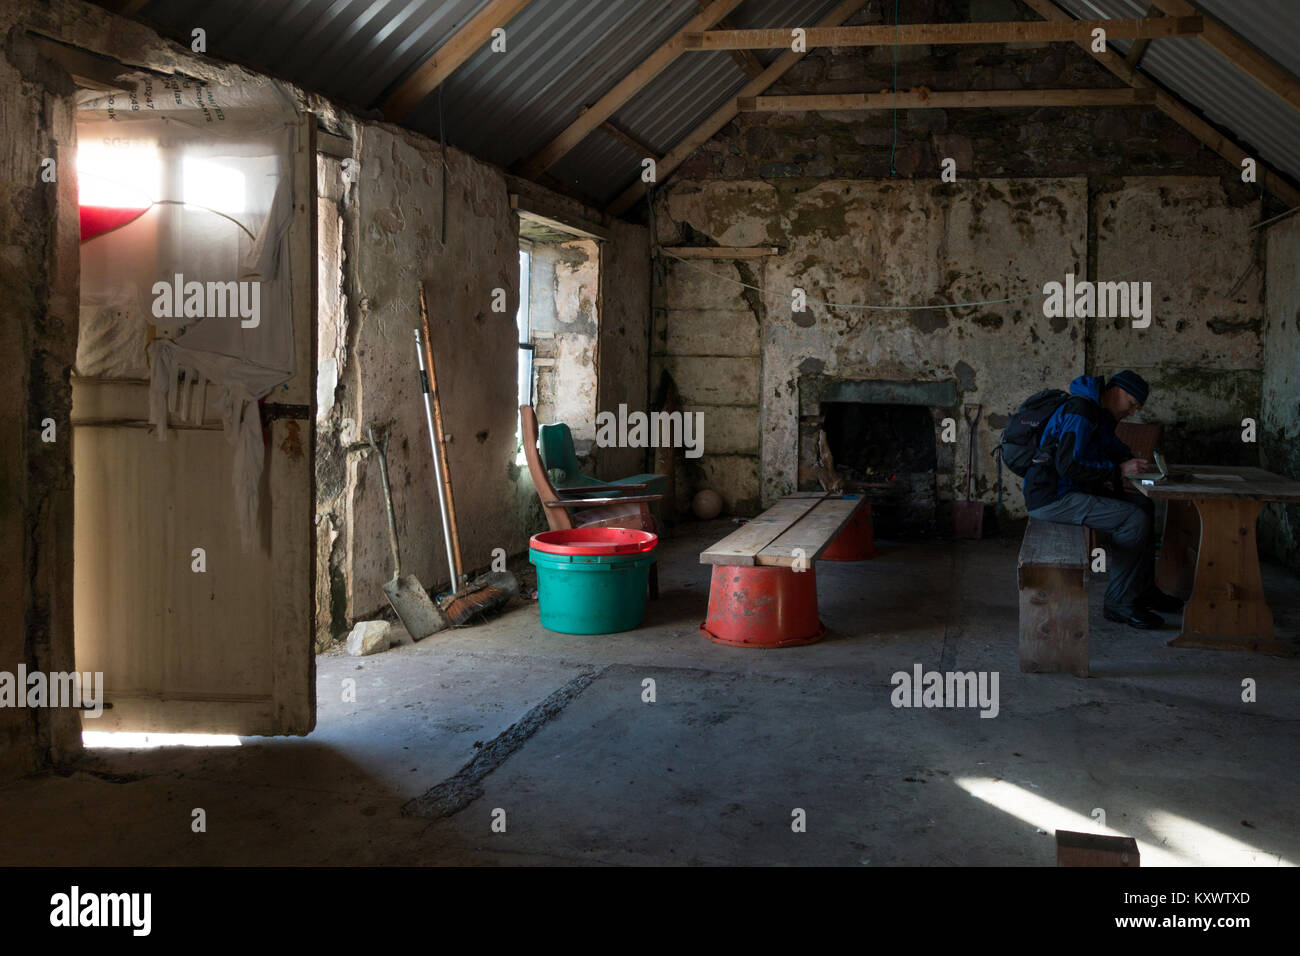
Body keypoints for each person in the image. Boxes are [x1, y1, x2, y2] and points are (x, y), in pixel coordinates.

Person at [1023, 370, 1182, 629]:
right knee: (1133, 519)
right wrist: (1118, 470)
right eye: (1132, 405)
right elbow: (1068, 464)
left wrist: (1130, 460)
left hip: (1068, 491)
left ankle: (1141, 589)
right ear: (1117, 391)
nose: (1132, 412)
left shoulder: (1099, 414)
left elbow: (1109, 446)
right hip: (1052, 497)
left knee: (1143, 504)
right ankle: (1119, 602)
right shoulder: (1082, 411)